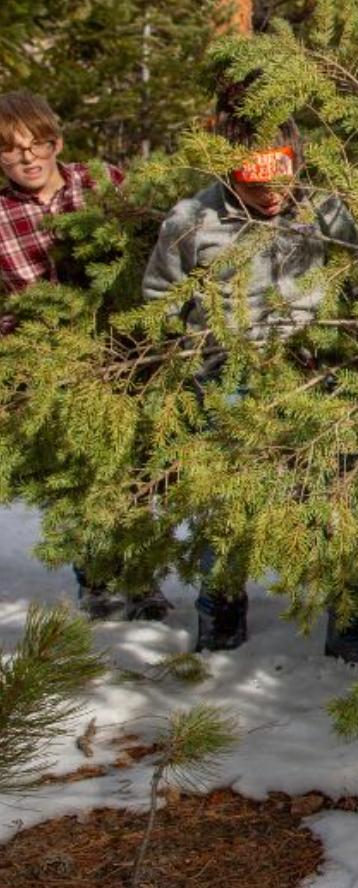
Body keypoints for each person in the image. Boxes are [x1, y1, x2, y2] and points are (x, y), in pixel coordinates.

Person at [141, 110, 358, 660]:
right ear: (229, 172)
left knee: (347, 490)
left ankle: (352, 626)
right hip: (228, 375)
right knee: (224, 502)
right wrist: (194, 355)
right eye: (255, 185)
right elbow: (160, 298)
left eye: (282, 180)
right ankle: (220, 615)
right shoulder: (192, 221)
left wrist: (357, 339)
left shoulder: (325, 212)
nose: (272, 195)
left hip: (315, 370)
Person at [0, 91, 172, 621]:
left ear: (57, 142)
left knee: (129, 465)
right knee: (73, 469)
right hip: (45, 360)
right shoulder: (1, 214)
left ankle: (141, 577)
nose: (27, 158)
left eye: (37, 144)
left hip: (119, 349)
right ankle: (95, 577)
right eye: (10, 150)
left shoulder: (101, 184)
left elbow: (150, 249)